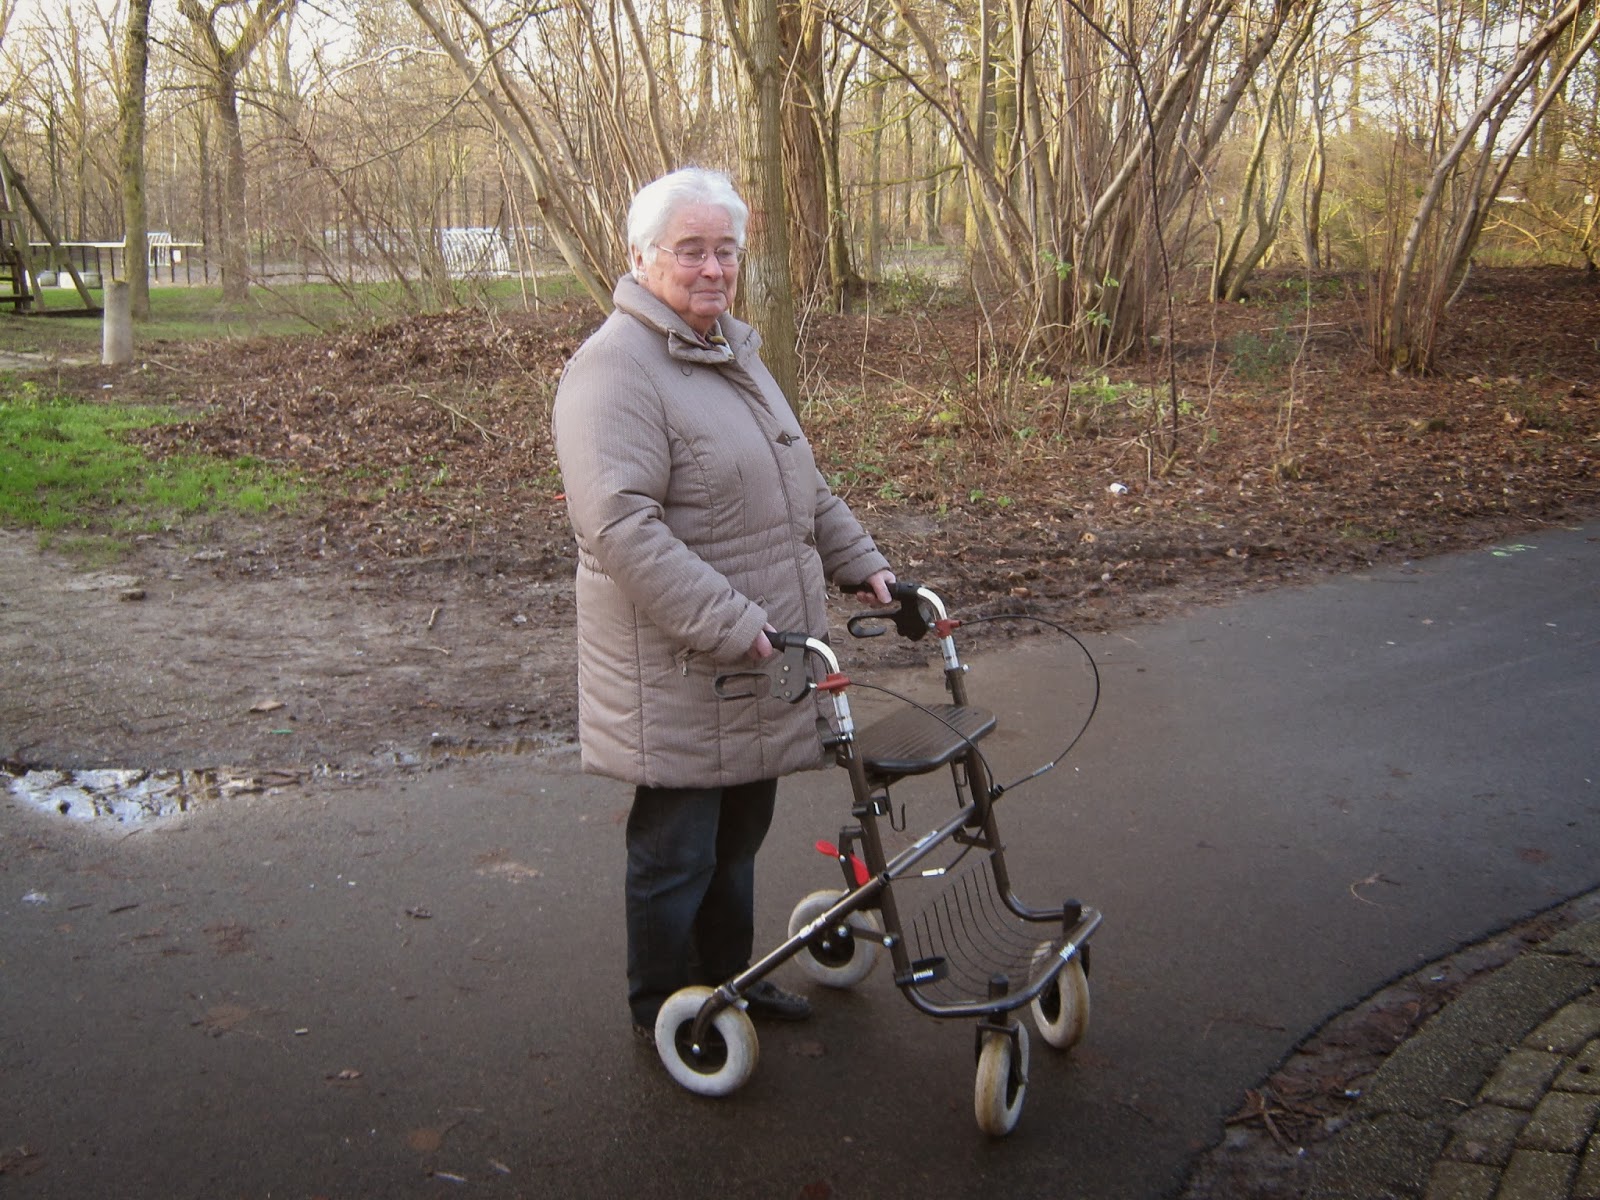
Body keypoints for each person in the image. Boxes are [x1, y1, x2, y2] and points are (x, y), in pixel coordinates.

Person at [551, 167, 895, 1044]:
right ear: (640, 256)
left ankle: (728, 985)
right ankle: (667, 1014)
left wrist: (864, 566)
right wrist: (737, 624)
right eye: (690, 250)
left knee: (738, 840)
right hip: (688, 664)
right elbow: (621, 531)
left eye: (726, 251)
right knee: (676, 853)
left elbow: (799, 482)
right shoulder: (614, 372)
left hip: (763, 657)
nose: (712, 269)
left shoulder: (733, 353)